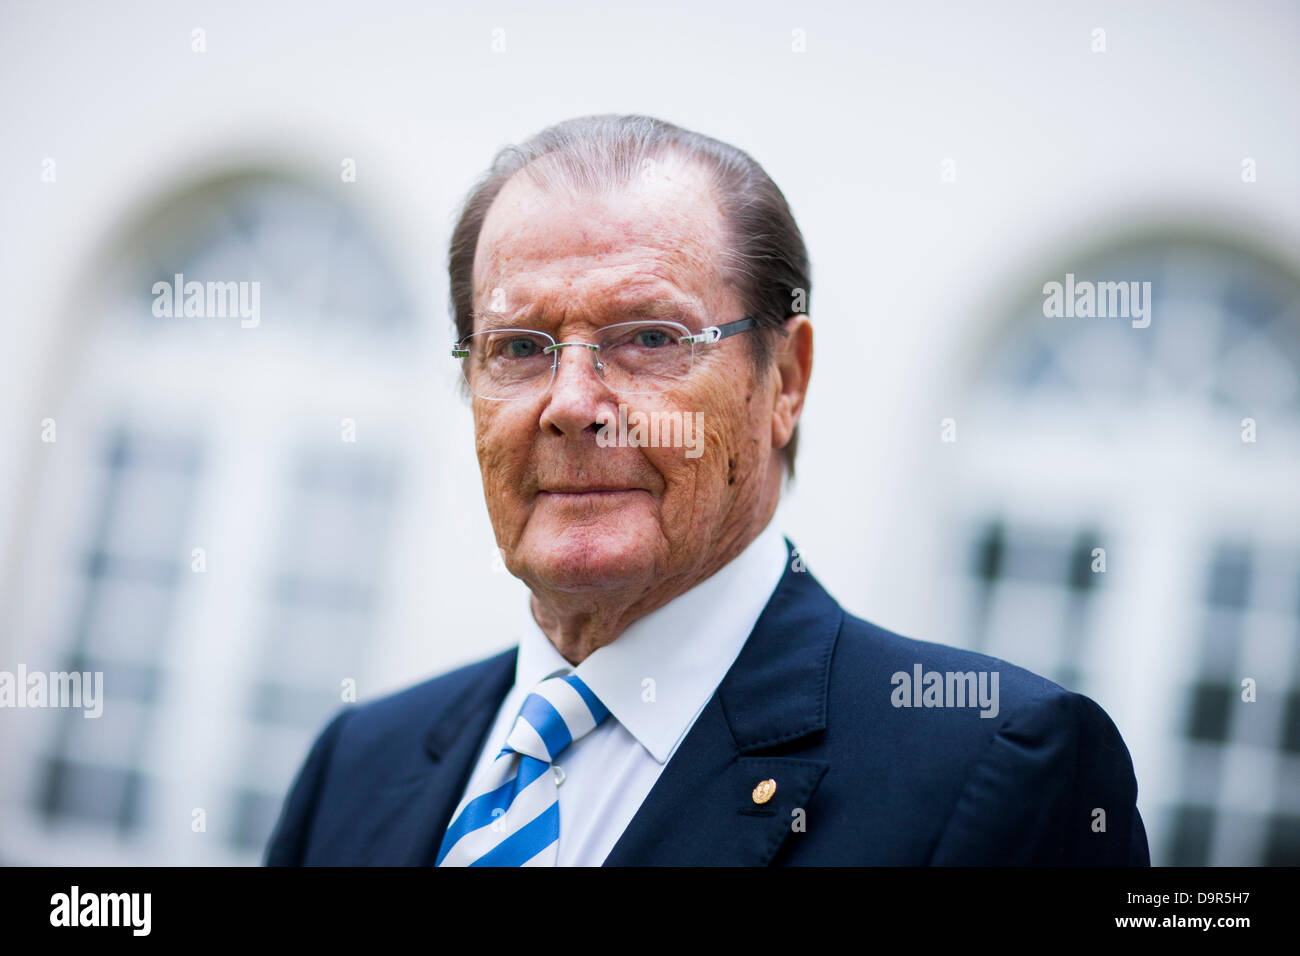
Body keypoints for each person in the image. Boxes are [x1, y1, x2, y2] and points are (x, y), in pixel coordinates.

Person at [264, 114, 1149, 866]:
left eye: (649, 337)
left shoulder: (998, 771)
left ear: (785, 383)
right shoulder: (357, 768)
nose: (572, 405)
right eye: (521, 348)